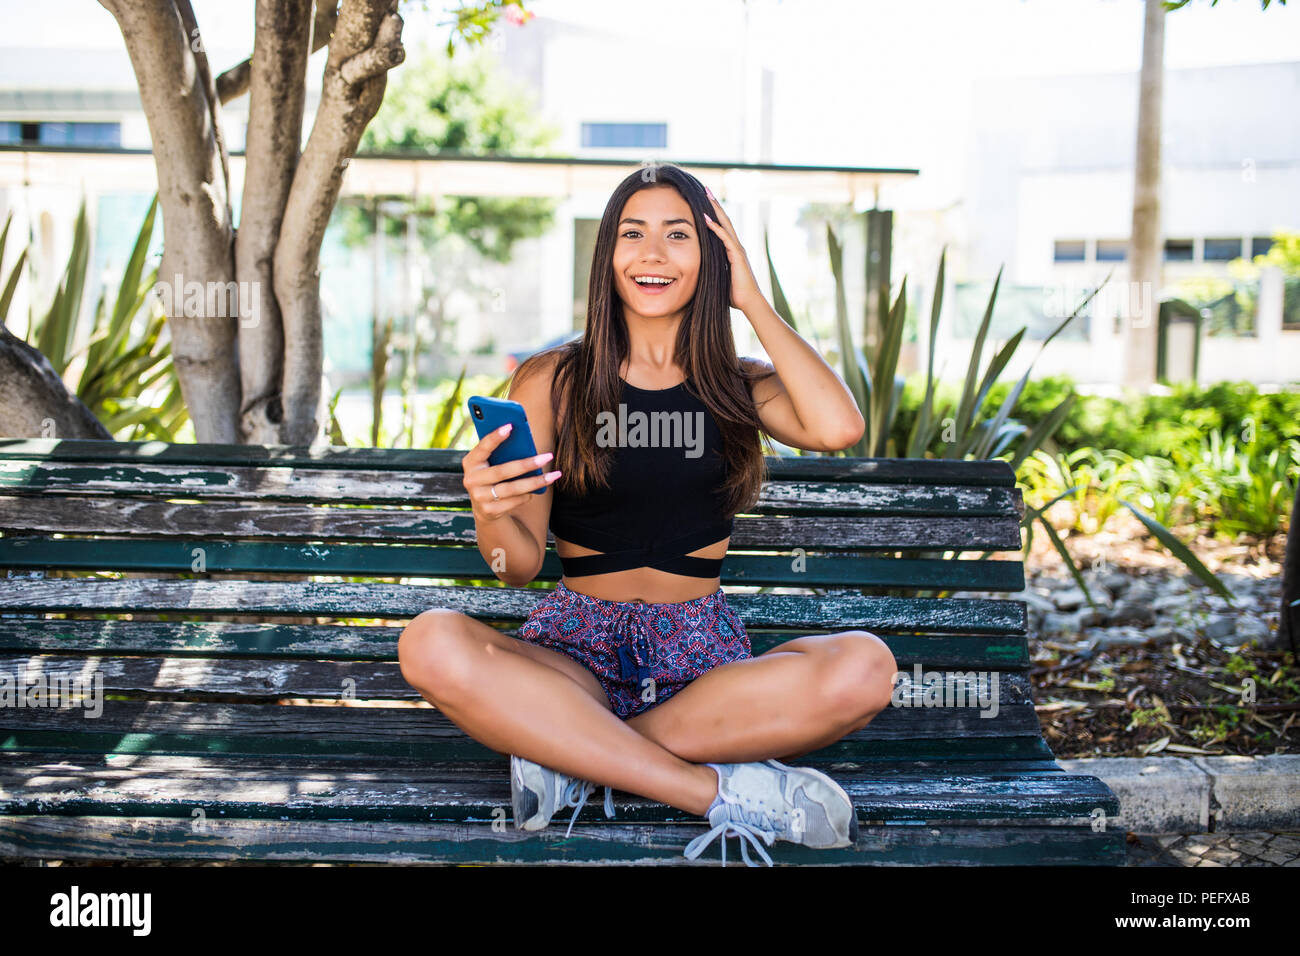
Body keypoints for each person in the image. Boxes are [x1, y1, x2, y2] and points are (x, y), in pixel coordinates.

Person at [398, 163, 897, 866]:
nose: (653, 254)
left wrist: (751, 300)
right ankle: (714, 792)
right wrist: (489, 510)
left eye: (678, 235)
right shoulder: (554, 381)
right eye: (633, 233)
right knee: (429, 643)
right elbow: (518, 568)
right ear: (608, 254)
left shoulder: (740, 383)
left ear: (713, 257)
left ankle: (569, 751)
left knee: (865, 668)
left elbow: (838, 427)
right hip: (573, 655)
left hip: (702, 667)